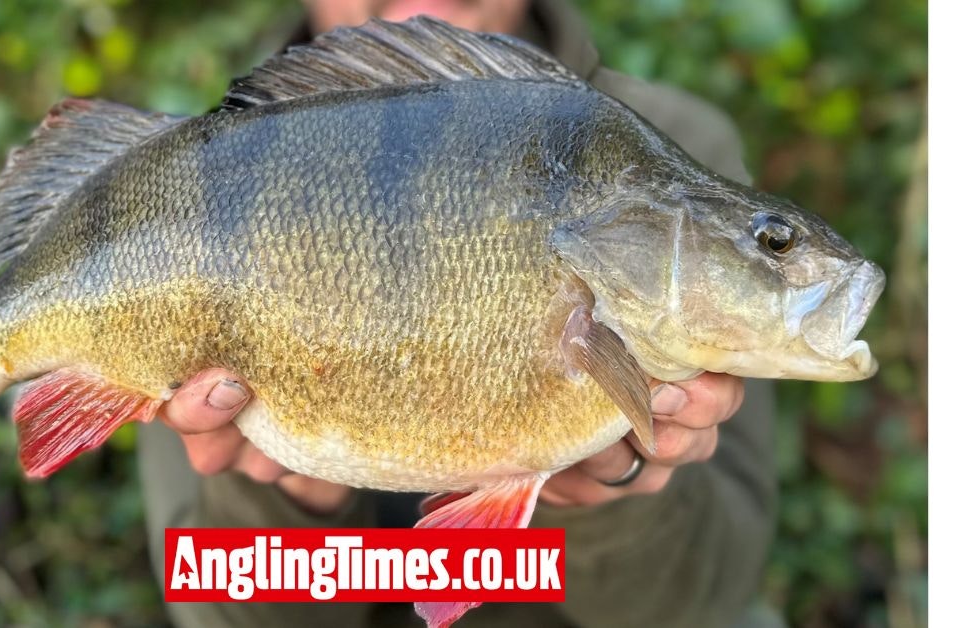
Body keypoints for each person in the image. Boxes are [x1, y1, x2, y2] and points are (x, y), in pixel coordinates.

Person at [137, 1, 781, 626]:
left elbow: (704, 606)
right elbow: (208, 612)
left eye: (776, 247)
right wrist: (284, 497)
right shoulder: (203, 175)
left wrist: (610, 501)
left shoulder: (670, 146)